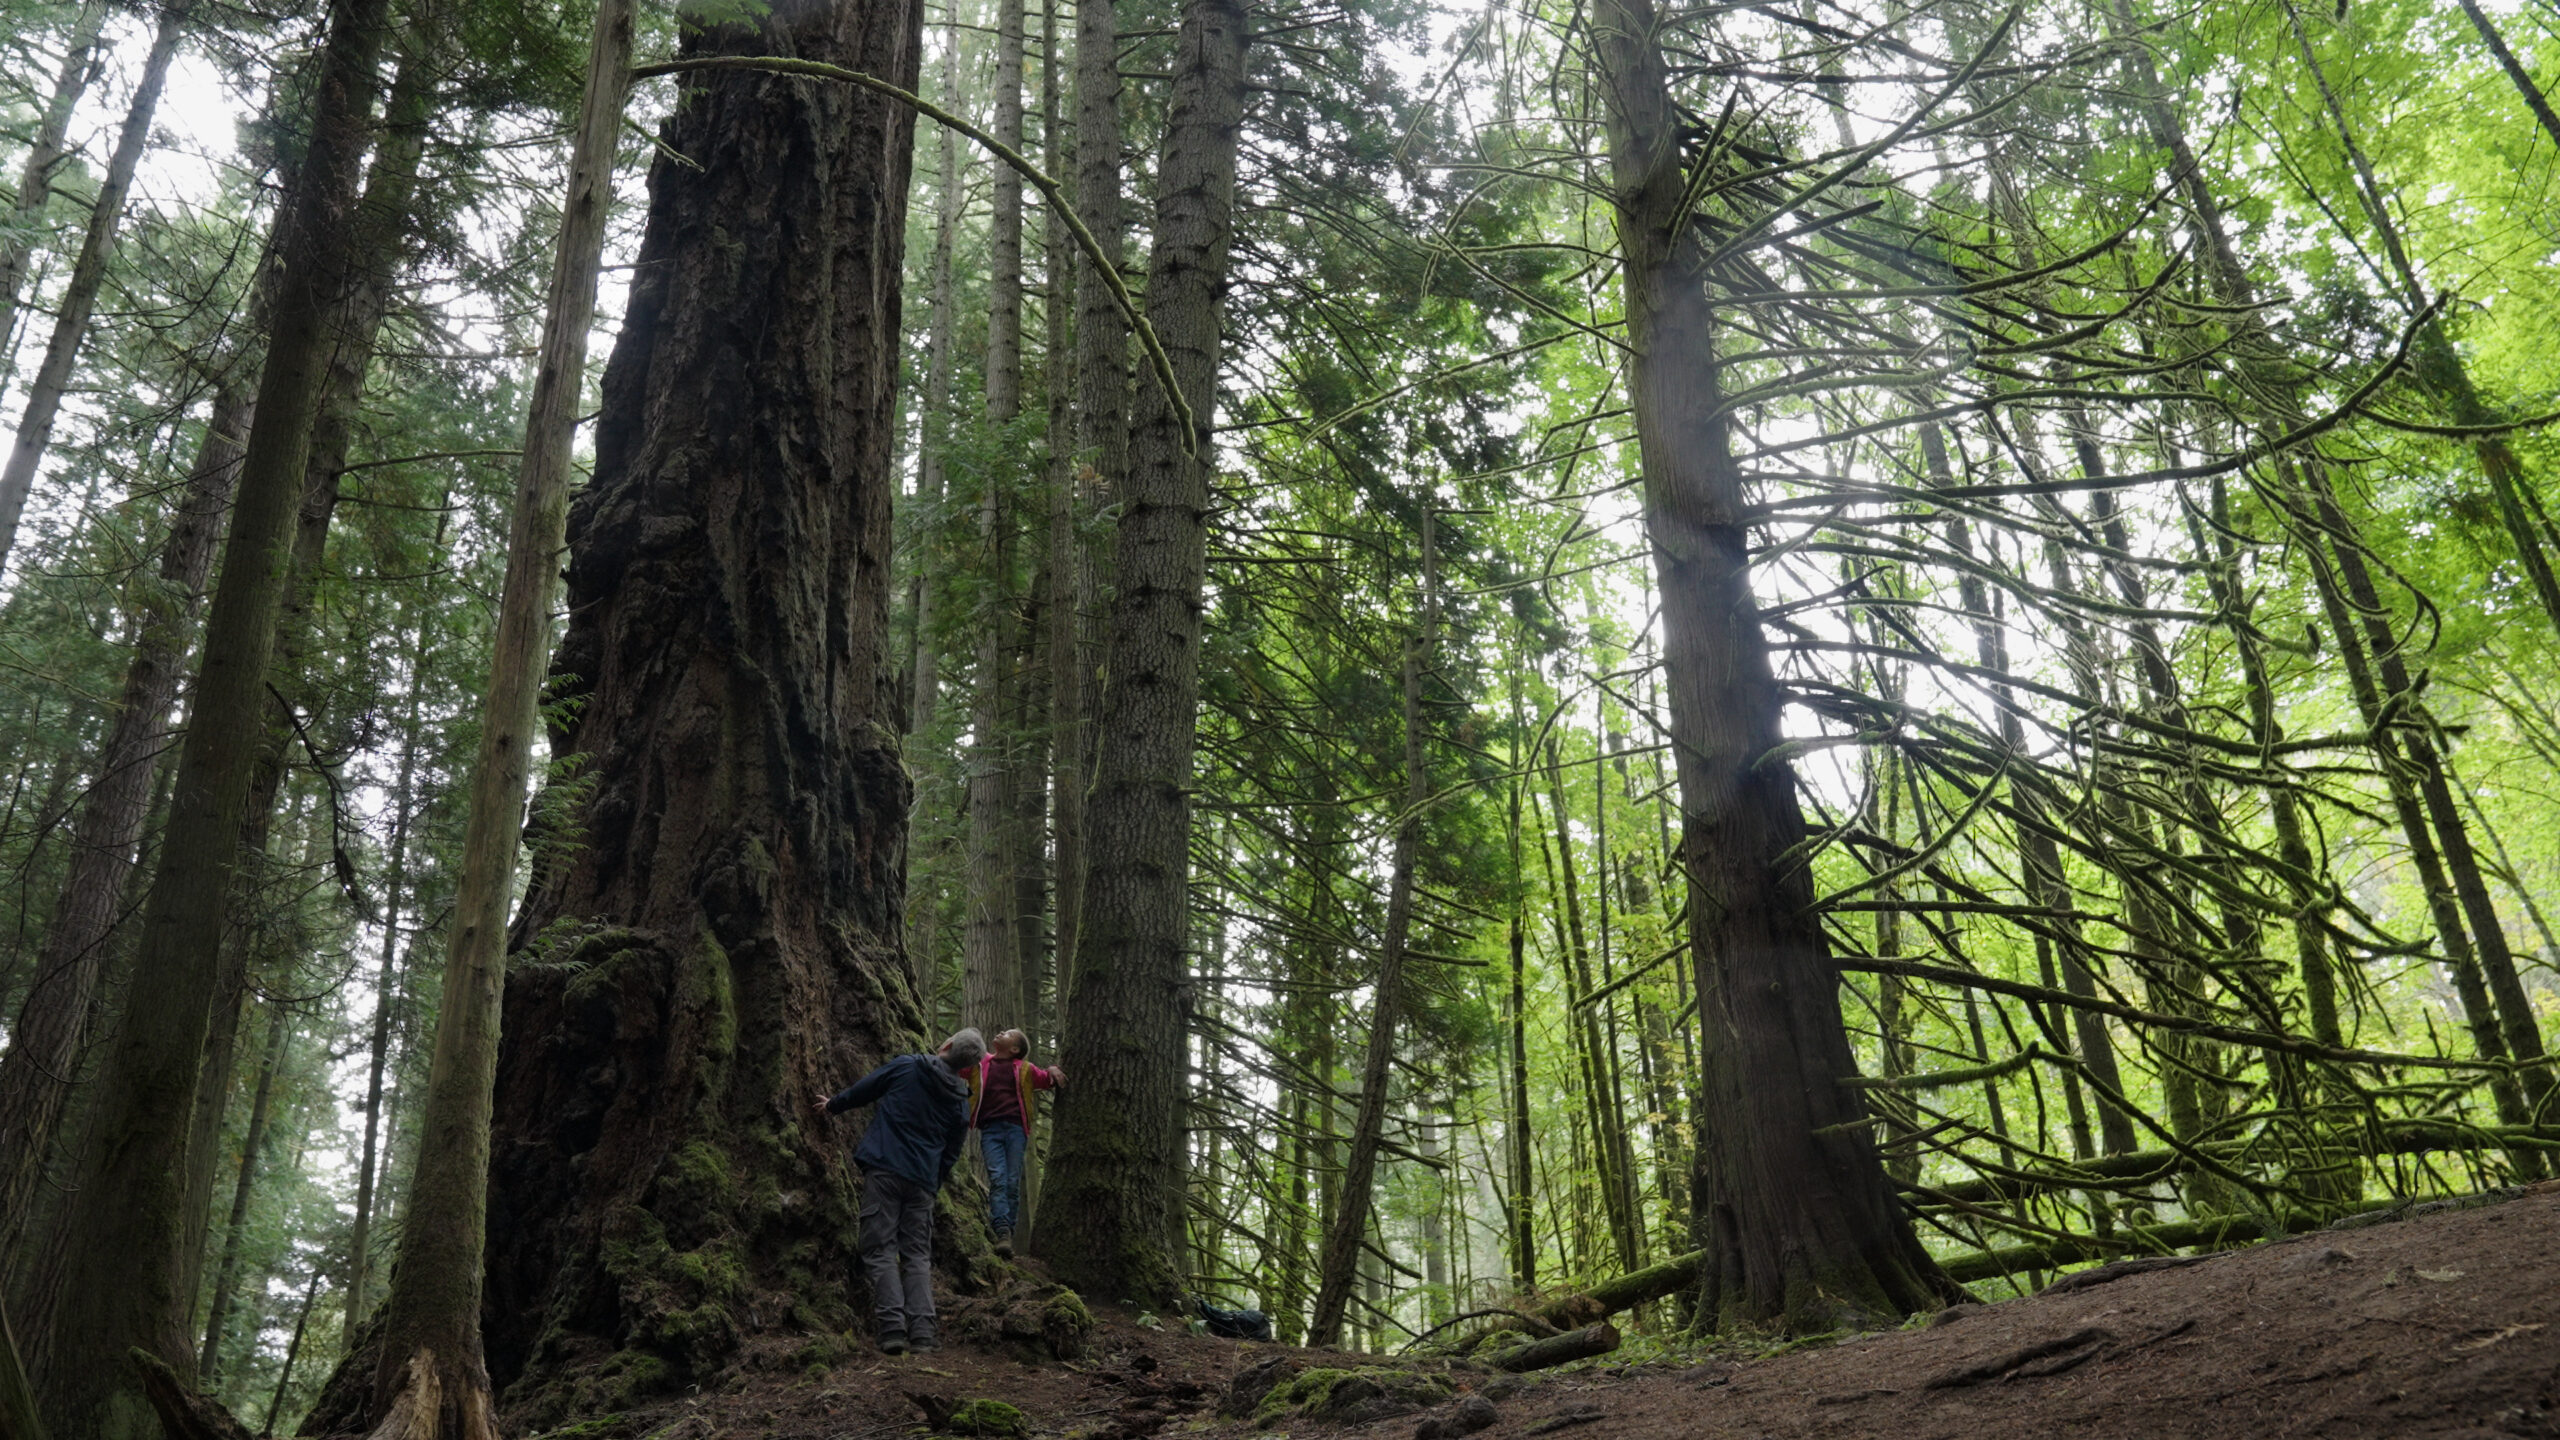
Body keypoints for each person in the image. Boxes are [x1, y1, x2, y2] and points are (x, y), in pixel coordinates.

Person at [813, 1028, 983, 1355]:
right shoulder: (961, 1104)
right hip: (922, 1183)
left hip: (885, 1170)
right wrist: (933, 1182)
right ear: (968, 1068)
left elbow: (867, 1089)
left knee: (879, 1249)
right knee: (917, 1256)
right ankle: (922, 1333)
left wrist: (833, 1105)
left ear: (946, 1045)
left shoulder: (907, 1066)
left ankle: (892, 1328)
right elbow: (951, 1154)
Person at [967, 1028, 1065, 1258]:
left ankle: (1007, 1233)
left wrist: (1052, 1068)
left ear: (1015, 1050)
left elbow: (1047, 1079)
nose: (1001, 1032)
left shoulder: (1025, 1069)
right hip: (990, 1130)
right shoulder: (980, 1063)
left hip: (1016, 1131)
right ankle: (1001, 1229)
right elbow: (956, 1064)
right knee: (998, 1178)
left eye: (1009, 1033)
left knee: (1011, 1180)